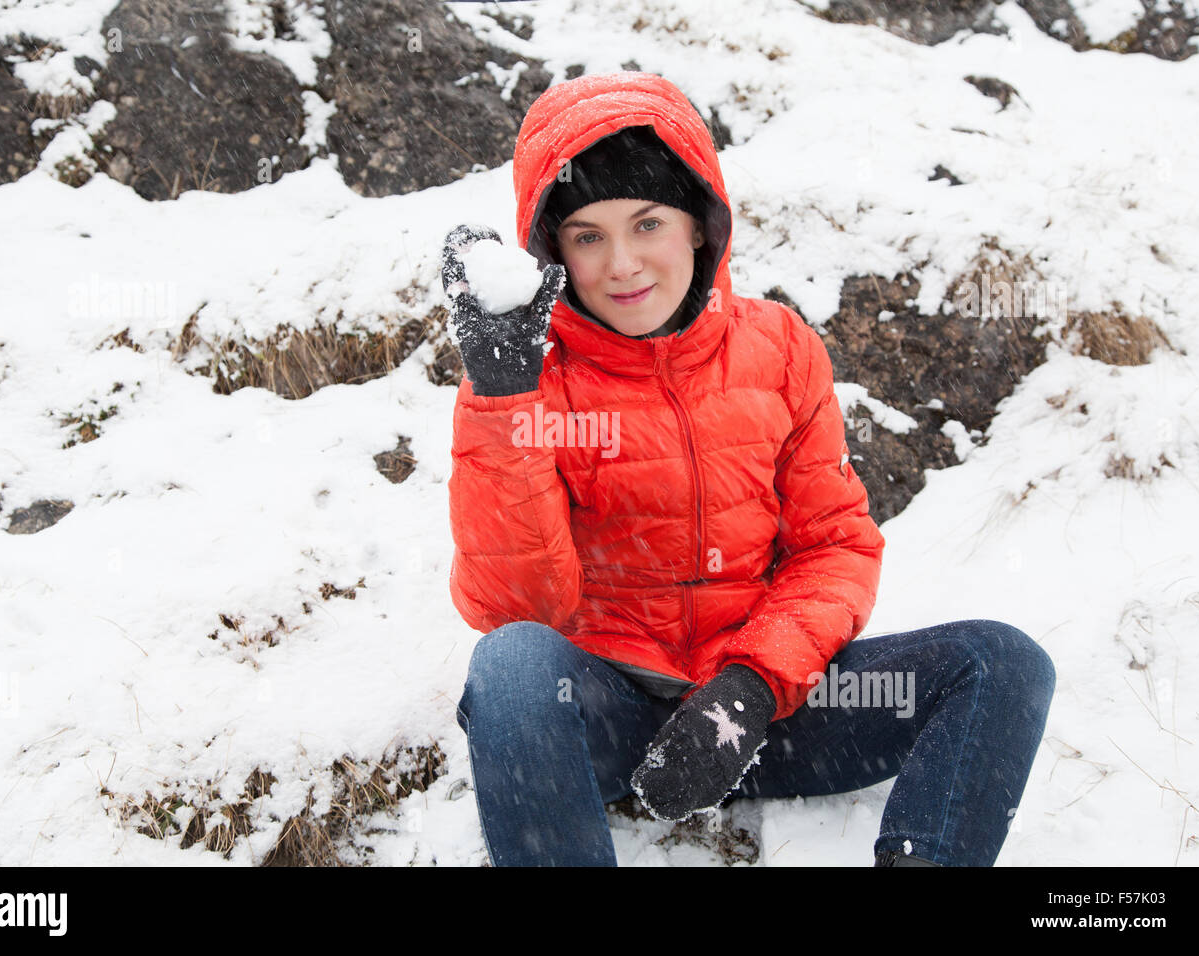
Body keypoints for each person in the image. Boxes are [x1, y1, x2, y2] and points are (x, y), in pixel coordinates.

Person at [441, 71, 1055, 867]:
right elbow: (517, 608)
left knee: (1000, 662)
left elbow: (834, 546)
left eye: (648, 223)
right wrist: (503, 402)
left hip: (769, 715)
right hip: (609, 717)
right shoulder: (528, 379)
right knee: (512, 667)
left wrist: (748, 692)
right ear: (552, 250)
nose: (623, 263)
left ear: (698, 225)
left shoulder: (781, 347)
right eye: (588, 236)